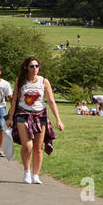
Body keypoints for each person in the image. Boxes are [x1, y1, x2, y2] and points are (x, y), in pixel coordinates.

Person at [10, 56, 66, 185]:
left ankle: (36, 175)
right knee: (27, 145)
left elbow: (51, 101)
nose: (35, 68)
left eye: (37, 66)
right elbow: (15, 100)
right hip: (23, 114)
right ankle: (26, 172)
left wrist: (59, 120)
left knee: (38, 148)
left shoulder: (44, 81)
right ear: (26, 68)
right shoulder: (21, 81)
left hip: (40, 115)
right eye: (32, 66)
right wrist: (10, 117)